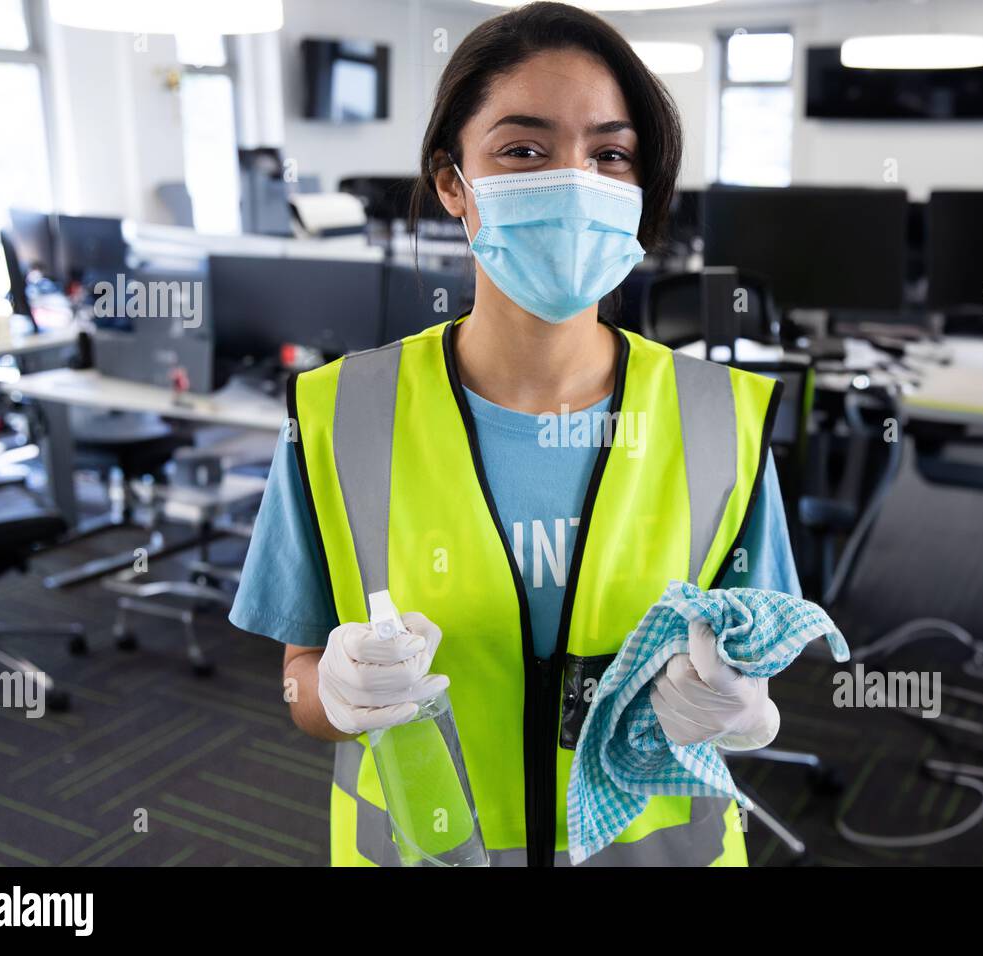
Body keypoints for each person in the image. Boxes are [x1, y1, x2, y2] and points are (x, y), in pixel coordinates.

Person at [230, 1, 802, 867]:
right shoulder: (338, 415)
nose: (576, 181)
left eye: (610, 154)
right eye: (524, 150)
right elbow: (298, 680)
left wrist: (745, 709)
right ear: (453, 180)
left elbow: (756, 669)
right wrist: (335, 693)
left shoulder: (722, 417)